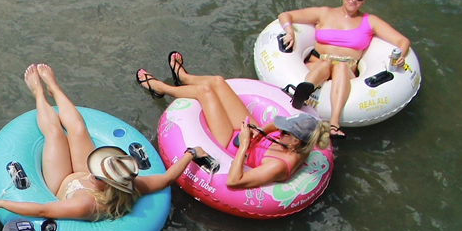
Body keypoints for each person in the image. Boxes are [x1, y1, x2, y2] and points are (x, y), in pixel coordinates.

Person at [0, 64, 199, 222]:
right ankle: (54, 87)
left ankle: (38, 93)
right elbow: (168, 178)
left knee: (55, 134)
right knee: (79, 129)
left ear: (110, 184)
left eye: (98, 174)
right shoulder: (133, 186)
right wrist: (191, 153)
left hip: (62, 182)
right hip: (81, 177)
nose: (93, 173)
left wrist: (0, 203)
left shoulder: (87, 205)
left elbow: (43, 210)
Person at [136, 54, 331, 191]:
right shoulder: (297, 142)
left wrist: (245, 144)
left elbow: (234, 181)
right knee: (219, 82)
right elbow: (274, 124)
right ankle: (184, 77)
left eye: (284, 133)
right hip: (249, 132)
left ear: (295, 141)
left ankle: (159, 88)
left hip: (231, 143)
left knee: (205, 93)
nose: (280, 132)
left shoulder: (278, 166)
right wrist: (259, 131)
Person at [277, 0, 412, 136]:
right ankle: (302, 93)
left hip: (345, 70)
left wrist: (401, 55)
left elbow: (402, 40)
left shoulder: (370, 21)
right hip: (318, 63)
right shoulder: (324, 13)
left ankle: (333, 124)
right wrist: (289, 31)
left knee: (339, 66)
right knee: (325, 65)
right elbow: (286, 15)